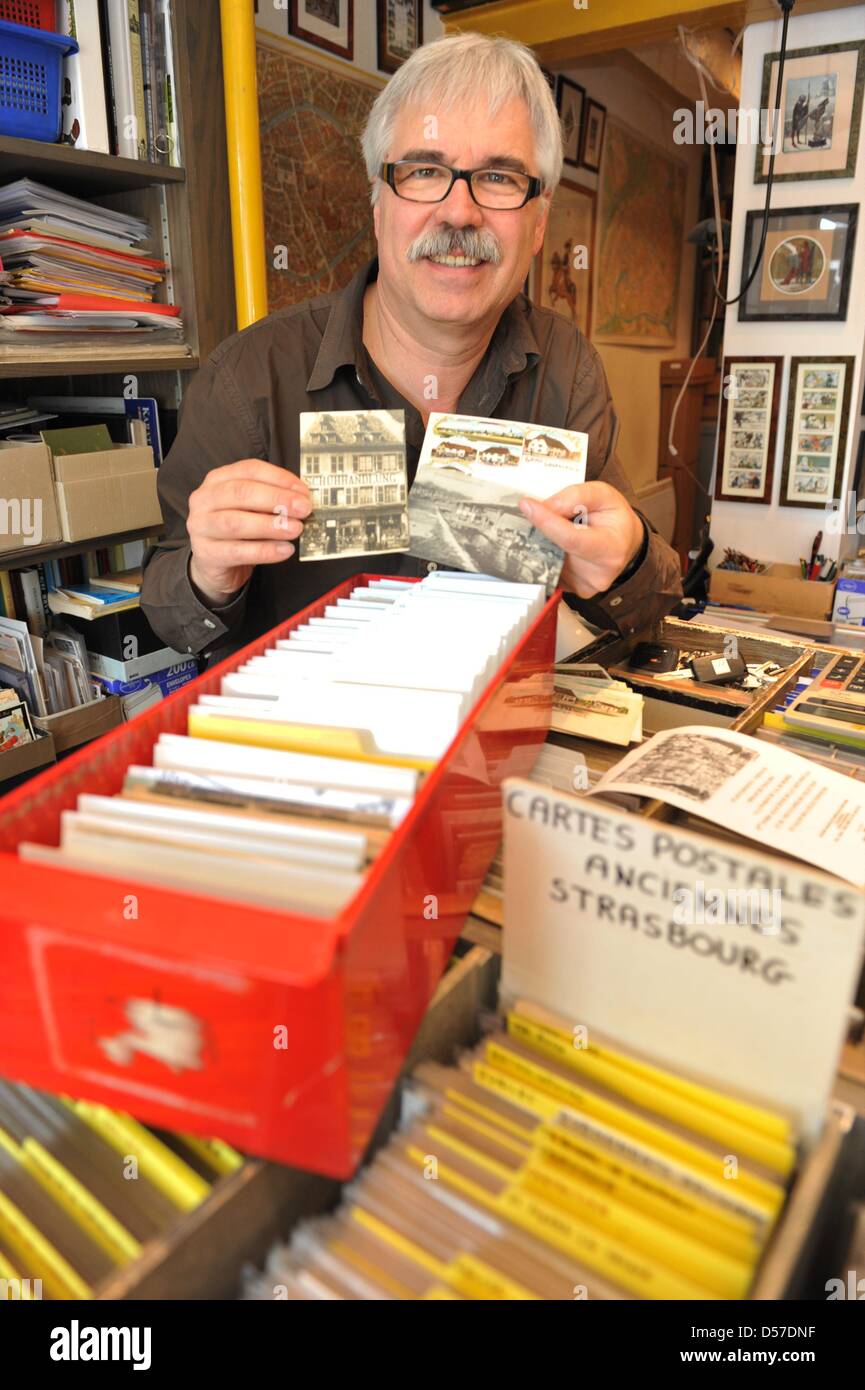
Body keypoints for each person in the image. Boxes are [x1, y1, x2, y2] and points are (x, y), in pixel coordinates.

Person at [141, 33, 682, 665]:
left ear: (538, 223)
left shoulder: (568, 369)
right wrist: (209, 575)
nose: (459, 212)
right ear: (378, 203)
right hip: (312, 748)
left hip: (496, 738)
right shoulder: (247, 378)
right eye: (425, 171)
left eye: (499, 177)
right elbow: (165, 614)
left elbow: (652, 598)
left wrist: (627, 563)